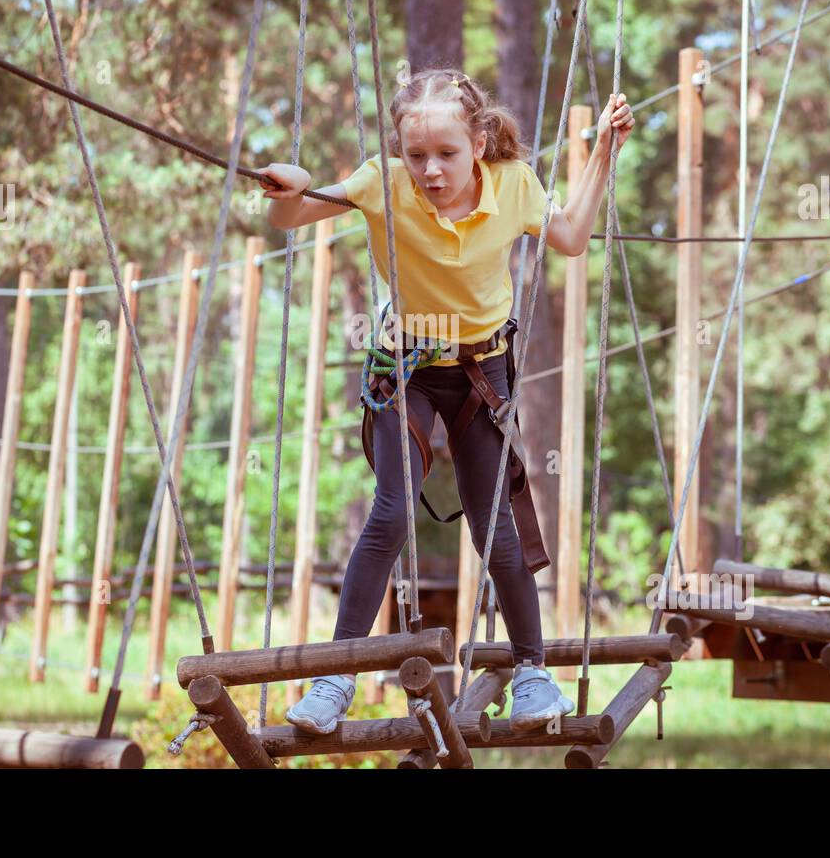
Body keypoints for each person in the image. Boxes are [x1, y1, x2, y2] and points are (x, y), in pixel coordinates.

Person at [260, 68, 634, 735]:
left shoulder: (514, 184)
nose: (430, 171)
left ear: (480, 140)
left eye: (447, 154)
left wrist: (604, 152)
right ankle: (334, 680)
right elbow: (291, 217)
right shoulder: (383, 182)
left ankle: (532, 674)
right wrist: (288, 187)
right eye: (417, 155)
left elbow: (572, 238)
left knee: (498, 532)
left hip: (479, 373)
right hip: (405, 367)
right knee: (392, 512)